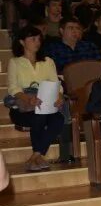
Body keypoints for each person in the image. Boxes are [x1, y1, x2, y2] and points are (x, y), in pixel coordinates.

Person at [8, 27, 66, 171]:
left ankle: (36, 155)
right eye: (33, 39)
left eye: (39, 39)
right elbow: (13, 88)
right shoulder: (15, 62)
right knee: (37, 117)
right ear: (22, 42)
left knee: (59, 119)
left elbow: (56, 85)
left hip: (46, 107)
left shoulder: (48, 61)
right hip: (23, 108)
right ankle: (37, 157)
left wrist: (59, 96)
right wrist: (28, 98)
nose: (37, 42)